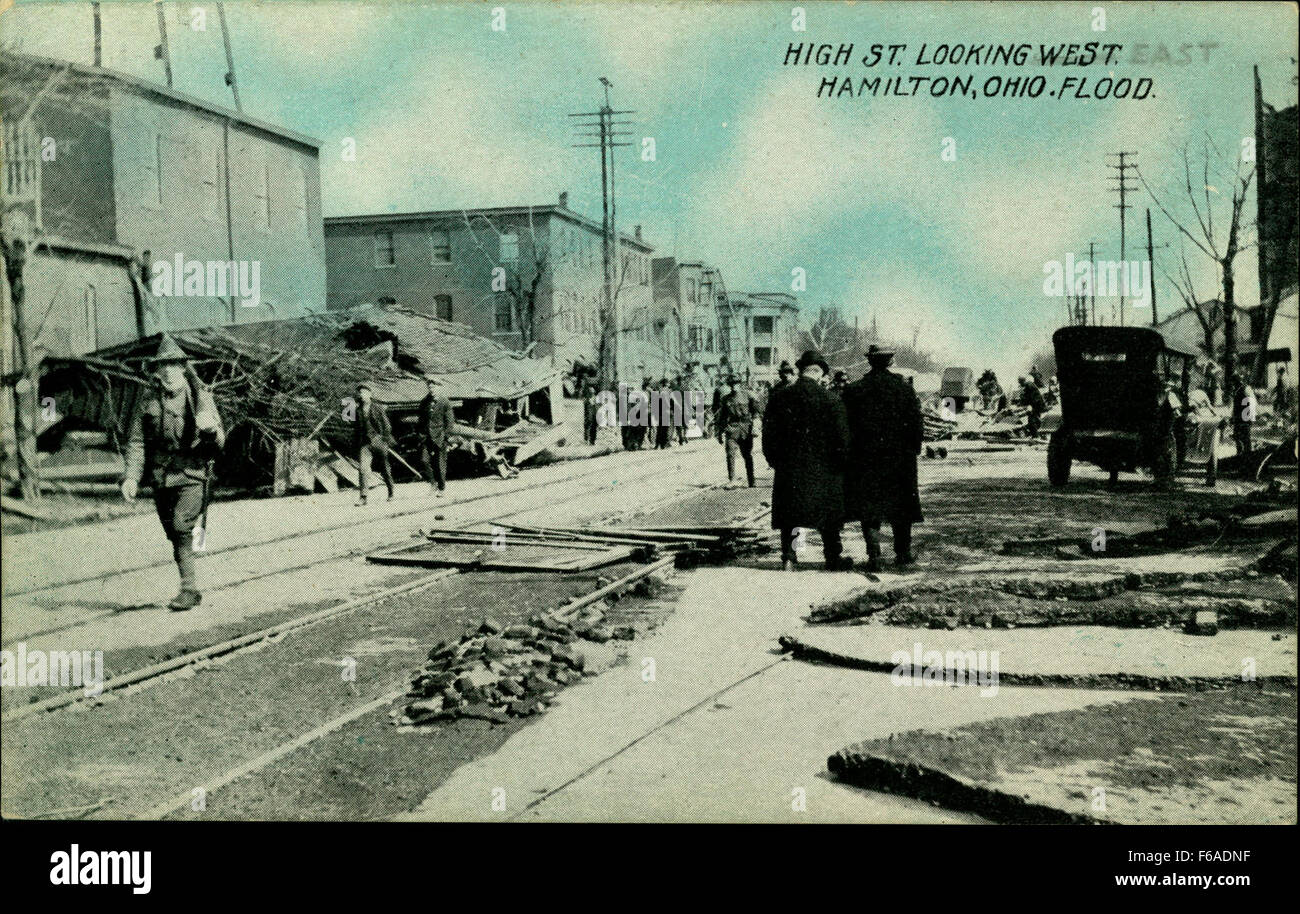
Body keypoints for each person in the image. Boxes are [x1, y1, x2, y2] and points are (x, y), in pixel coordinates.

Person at [122, 334, 226, 611]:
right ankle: (189, 585)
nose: (167, 370)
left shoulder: (199, 397)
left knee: (182, 525)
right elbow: (136, 440)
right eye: (162, 365)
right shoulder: (147, 399)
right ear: (156, 370)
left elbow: (220, 441)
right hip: (160, 477)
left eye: (173, 364)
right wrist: (132, 476)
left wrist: (211, 431)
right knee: (174, 532)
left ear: (182, 367)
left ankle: (188, 589)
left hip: (192, 474)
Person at [761, 349, 852, 572]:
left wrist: (774, 460)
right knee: (827, 513)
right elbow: (842, 438)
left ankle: (790, 557)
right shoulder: (831, 399)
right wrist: (841, 464)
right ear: (820, 372)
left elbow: (769, 434)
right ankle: (832, 556)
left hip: (789, 467)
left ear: (800, 370)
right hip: (825, 468)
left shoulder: (780, 397)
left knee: (791, 513)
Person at [842, 344, 923, 571]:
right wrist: (914, 449)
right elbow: (917, 423)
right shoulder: (904, 388)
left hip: (865, 458)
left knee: (869, 505)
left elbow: (845, 427)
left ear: (869, 362)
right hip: (900, 458)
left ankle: (874, 555)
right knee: (901, 505)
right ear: (890, 361)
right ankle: (903, 552)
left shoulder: (854, 389)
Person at [354, 381, 396, 504]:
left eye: (364, 392)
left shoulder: (377, 408)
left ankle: (391, 491)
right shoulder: (358, 410)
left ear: (370, 394)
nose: (362, 395)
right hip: (365, 444)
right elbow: (356, 428)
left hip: (379, 442)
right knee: (363, 469)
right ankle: (363, 497)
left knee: (384, 468)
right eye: (360, 392)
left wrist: (383, 439)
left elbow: (387, 426)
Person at [716, 374, 760, 487]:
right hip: (732, 428)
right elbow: (722, 417)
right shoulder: (726, 399)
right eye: (731, 384)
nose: (734, 386)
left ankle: (751, 479)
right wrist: (720, 433)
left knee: (747, 455)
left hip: (746, 427)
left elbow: (755, 412)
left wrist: (755, 426)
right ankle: (732, 479)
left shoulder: (748, 396)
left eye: (736, 384)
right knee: (730, 454)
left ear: (740, 384)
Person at [418, 375, 454, 496]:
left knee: (440, 464)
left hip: (440, 437)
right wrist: (421, 434)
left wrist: (446, 437)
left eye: (434, 387)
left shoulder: (445, 402)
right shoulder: (424, 402)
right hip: (427, 437)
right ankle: (433, 483)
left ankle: (442, 488)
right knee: (424, 460)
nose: (432, 389)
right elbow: (421, 420)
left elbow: (450, 422)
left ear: (439, 388)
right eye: (430, 387)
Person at [1231, 373, 1256, 457]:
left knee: (1246, 438)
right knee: (1237, 437)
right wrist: (1232, 416)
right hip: (1238, 417)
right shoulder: (1237, 389)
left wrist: (1250, 417)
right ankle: (1239, 455)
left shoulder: (1246, 388)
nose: (1233, 384)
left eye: (1234, 382)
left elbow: (1252, 402)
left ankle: (1248, 456)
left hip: (1245, 417)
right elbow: (1235, 405)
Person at [653, 378, 674, 449]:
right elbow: (672, 402)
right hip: (666, 411)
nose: (669, 384)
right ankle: (663, 444)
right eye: (668, 383)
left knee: (659, 429)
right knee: (665, 429)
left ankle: (657, 444)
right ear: (666, 384)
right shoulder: (669, 391)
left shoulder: (658, 391)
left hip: (659, 412)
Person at [582, 381, 600, 446]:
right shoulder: (586, 400)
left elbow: (598, 408)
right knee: (587, 428)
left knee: (594, 429)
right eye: (590, 391)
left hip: (594, 416)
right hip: (588, 417)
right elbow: (585, 409)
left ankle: (592, 441)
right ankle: (586, 440)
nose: (592, 392)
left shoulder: (596, 399)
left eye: (592, 391)